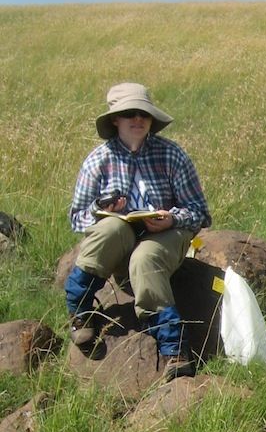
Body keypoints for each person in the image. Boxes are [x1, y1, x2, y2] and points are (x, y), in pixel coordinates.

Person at [65, 82, 212, 379]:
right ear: (115, 119)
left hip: (164, 237)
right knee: (109, 230)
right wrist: (104, 212)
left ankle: (173, 348)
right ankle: (80, 310)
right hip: (117, 242)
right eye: (129, 113)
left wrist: (171, 219)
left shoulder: (172, 155)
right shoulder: (99, 160)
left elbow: (200, 212)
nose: (138, 119)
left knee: (145, 259)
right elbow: (76, 217)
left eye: (144, 113)